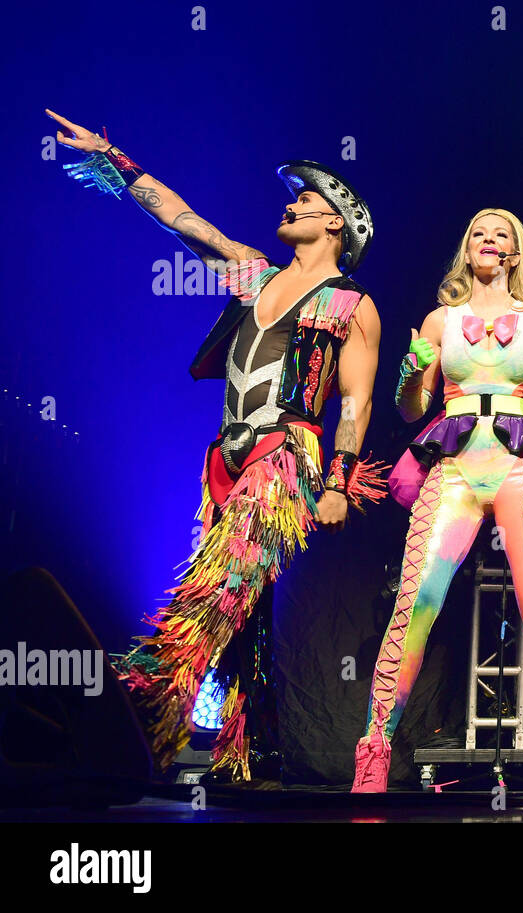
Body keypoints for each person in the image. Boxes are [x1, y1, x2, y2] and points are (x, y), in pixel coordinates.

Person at [48, 108, 386, 784]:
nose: (290, 203)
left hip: (284, 462)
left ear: (335, 227)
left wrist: (343, 486)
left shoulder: (353, 306)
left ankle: (134, 702)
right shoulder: (253, 272)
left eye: (306, 200)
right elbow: (182, 219)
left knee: (216, 589)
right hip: (226, 460)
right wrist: (112, 157)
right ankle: (248, 750)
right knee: (246, 611)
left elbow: (355, 402)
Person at [353, 208, 523, 797]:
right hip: (456, 462)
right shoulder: (440, 320)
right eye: (479, 235)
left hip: (520, 462)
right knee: (416, 603)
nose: (489, 242)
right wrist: (411, 373)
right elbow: (412, 408)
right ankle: (373, 753)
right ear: (467, 251)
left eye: (501, 235)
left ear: (515, 253)